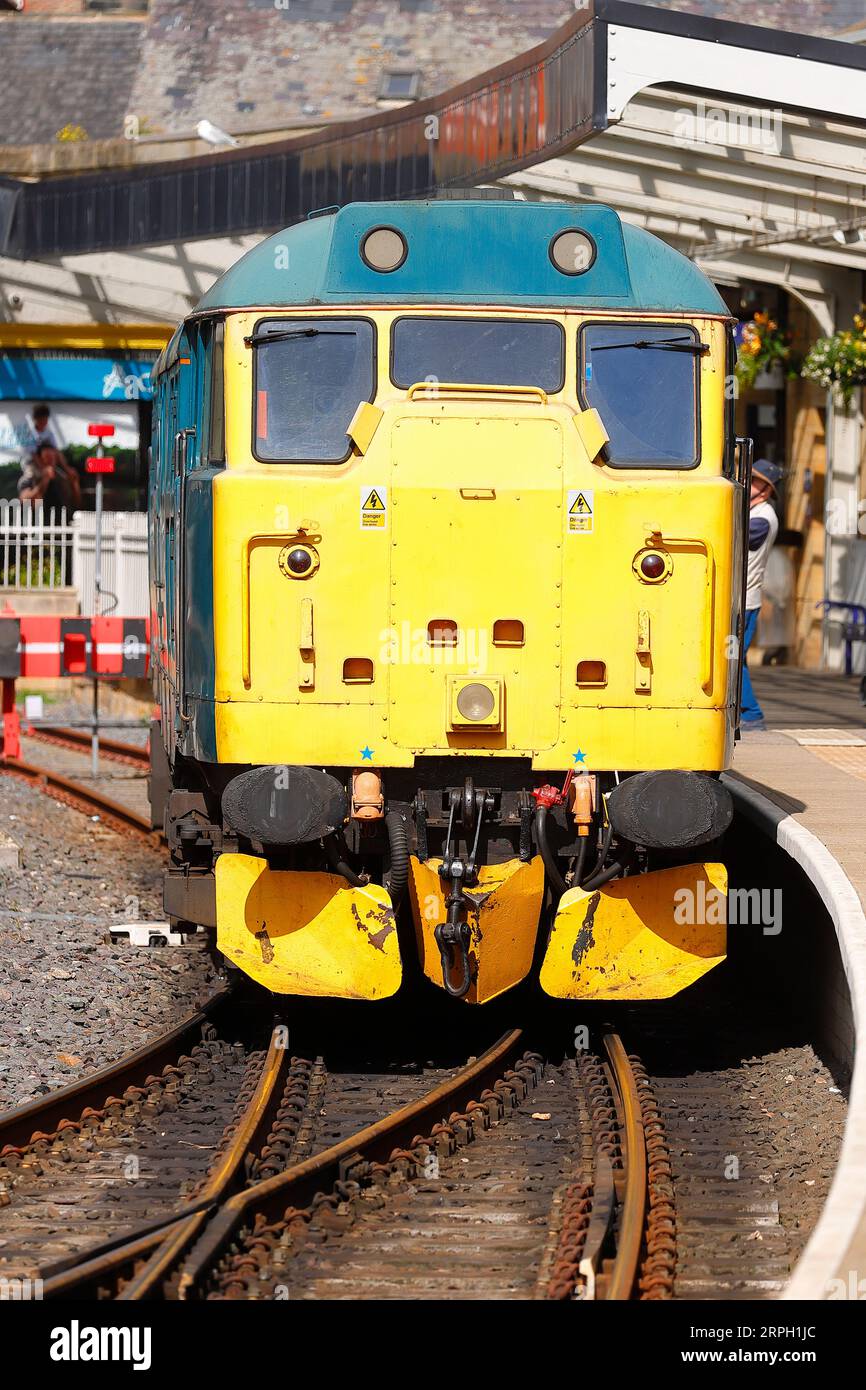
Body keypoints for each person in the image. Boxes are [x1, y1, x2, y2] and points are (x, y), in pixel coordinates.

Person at [741, 459, 782, 731]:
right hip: (742, 601)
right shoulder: (756, 514)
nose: (746, 482)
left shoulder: (762, 519)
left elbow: (737, 536)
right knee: (734, 658)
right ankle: (748, 714)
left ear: (765, 490)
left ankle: (752, 715)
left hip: (745, 602)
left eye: (753, 480)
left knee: (731, 660)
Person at [17, 404, 81, 509]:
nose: (44, 422)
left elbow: (56, 452)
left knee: (61, 478)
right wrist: (44, 469)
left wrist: (66, 468)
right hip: (30, 464)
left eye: (45, 419)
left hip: (45, 465)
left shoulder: (48, 433)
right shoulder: (31, 434)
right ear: (35, 419)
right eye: (41, 420)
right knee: (32, 475)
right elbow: (34, 455)